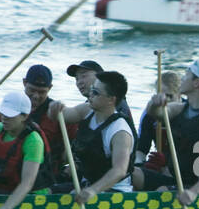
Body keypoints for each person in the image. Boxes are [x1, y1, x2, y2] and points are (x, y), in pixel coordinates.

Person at [133, 60, 199, 206]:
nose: (182, 79)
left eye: (186, 75)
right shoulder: (180, 108)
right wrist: (154, 103)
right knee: (133, 173)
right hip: (178, 179)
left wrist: (193, 192)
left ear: (197, 82)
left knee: (162, 191)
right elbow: (156, 114)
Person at [49, 71, 135, 200]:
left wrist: (93, 190)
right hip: (87, 184)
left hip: (115, 191)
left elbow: (119, 171)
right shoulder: (87, 110)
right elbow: (59, 116)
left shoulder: (120, 132)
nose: (90, 95)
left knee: (72, 195)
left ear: (111, 100)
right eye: (92, 90)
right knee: (47, 191)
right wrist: (54, 108)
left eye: (96, 93)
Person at [66, 59, 136, 131]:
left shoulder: (114, 105)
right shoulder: (92, 103)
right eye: (77, 79)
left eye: (84, 76)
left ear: (99, 76)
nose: (79, 82)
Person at [133, 71, 183, 165]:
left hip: (184, 166)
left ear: (179, 94)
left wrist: (168, 162)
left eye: (169, 96)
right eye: (159, 96)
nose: (163, 101)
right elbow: (141, 150)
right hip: (160, 163)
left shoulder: (188, 112)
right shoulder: (149, 115)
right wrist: (138, 164)